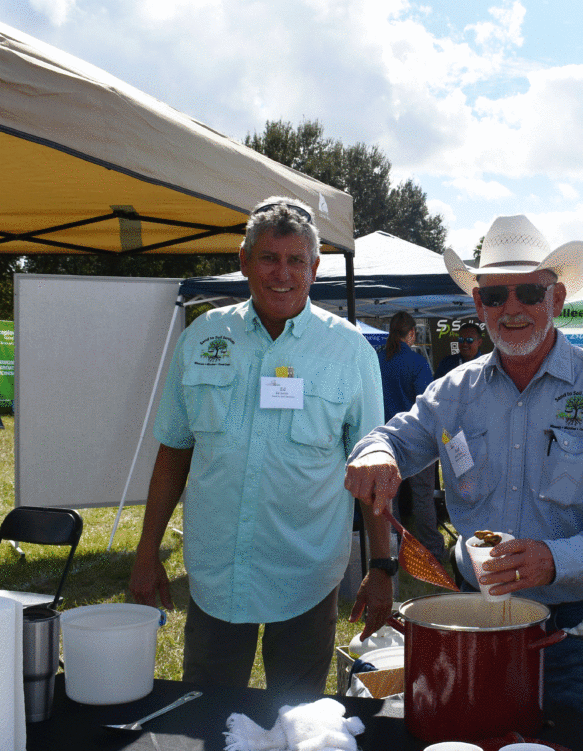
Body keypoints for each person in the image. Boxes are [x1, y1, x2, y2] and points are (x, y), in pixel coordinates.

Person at [344, 214, 583, 717]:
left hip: (573, 633)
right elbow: (394, 439)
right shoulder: (453, 393)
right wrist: (375, 454)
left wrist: (557, 558)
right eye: (495, 296)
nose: (511, 309)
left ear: (555, 300)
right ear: (478, 305)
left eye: (528, 294)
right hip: (479, 621)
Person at [128, 196, 388, 694]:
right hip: (216, 574)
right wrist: (147, 552)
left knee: (299, 721)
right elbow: (174, 451)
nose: (281, 273)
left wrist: (380, 567)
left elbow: (370, 469)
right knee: (207, 712)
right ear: (244, 260)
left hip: (305, 575)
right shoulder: (204, 336)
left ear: (315, 268)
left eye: (295, 261)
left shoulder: (349, 350)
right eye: (268, 258)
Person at [378, 312, 446, 561]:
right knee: (423, 499)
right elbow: (429, 404)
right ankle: (431, 551)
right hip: (415, 440)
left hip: (384, 440)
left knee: (389, 501)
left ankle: (392, 551)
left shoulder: (378, 360)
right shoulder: (417, 363)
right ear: (412, 334)